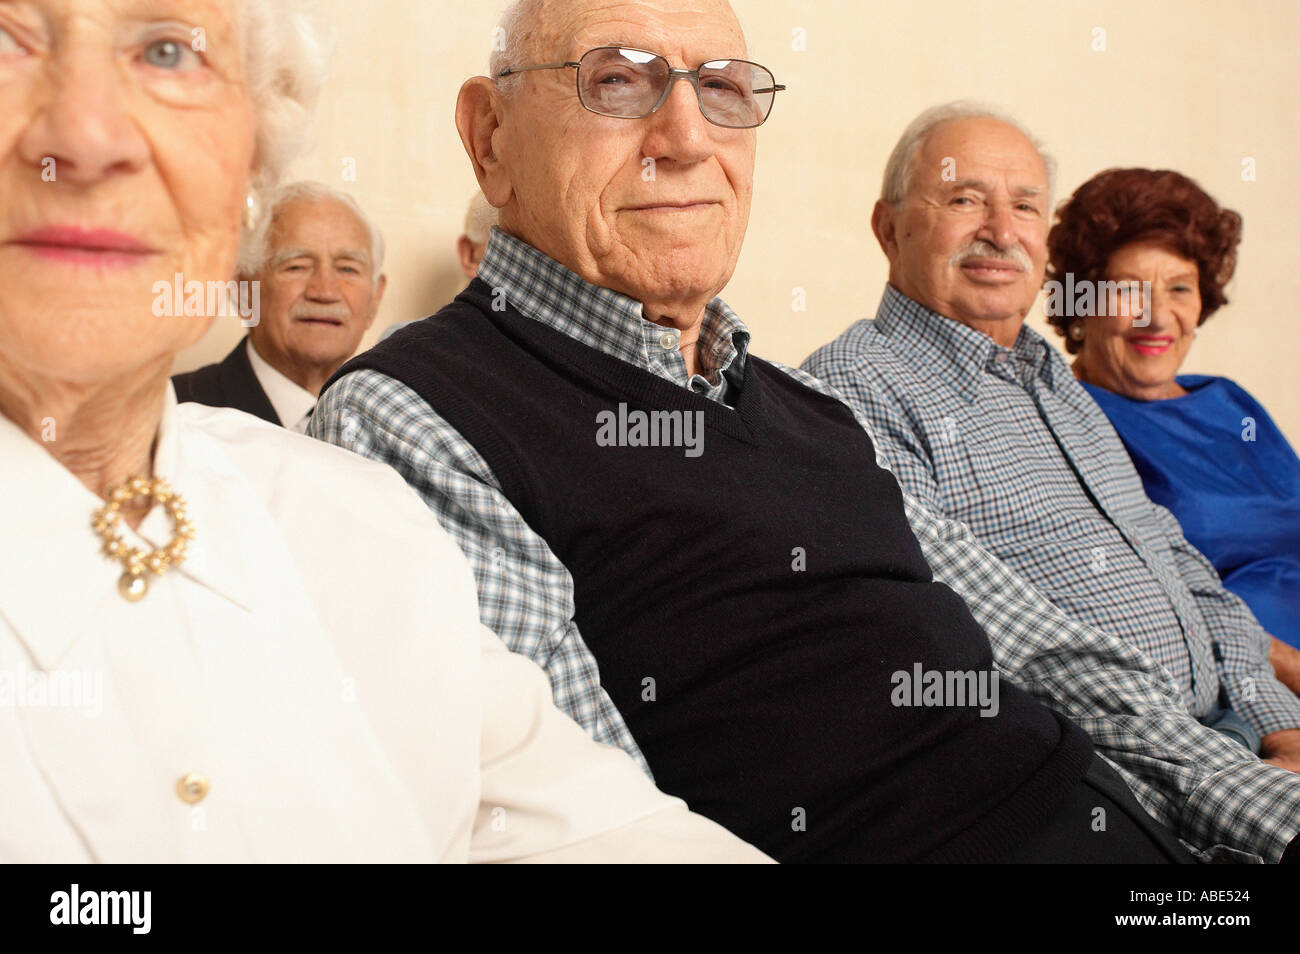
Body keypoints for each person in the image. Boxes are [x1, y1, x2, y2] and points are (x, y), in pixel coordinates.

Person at [313, 0, 1296, 863]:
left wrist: (1267, 811)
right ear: (489, 137)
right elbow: (596, 831)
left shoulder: (808, 410)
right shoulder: (411, 415)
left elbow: (1047, 656)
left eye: (726, 91)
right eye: (616, 82)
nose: (687, 138)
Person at [0, 0, 767, 864]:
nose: (89, 133)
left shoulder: (356, 521)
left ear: (251, 159)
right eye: (5, 38)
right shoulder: (407, 420)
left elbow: (613, 834)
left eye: (170, 51)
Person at [802, 102, 1300, 797]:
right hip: (1130, 775)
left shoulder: (1054, 385)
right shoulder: (849, 389)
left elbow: (1178, 560)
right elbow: (1013, 649)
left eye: (1026, 207)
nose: (1001, 231)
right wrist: (1243, 783)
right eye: (964, 198)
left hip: (1237, 737)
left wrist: (1281, 727)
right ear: (889, 229)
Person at [1046, 167, 1300, 660]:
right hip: (1251, 691)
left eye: (1180, 288)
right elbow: (1151, 604)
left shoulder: (1228, 401)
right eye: (1128, 289)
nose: (1157, 317)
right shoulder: (1066, 417)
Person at [173, 182, 385, 432]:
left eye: (347, 269)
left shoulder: (397, 420)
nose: (325, 292)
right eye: (296, 266)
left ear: (374, 299)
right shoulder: (174, 413)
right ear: (243, 292)